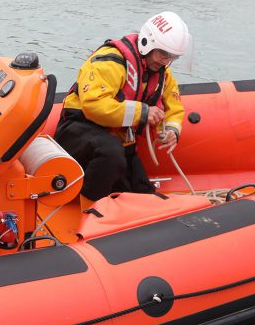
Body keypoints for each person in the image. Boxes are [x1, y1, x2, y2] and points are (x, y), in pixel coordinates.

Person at [54, 11, 191, 208]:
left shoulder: (162, 74)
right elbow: (94, 106)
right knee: (110, 153)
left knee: (142, 191)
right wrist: (142, 113)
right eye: (163, 54)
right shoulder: (111, 61)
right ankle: (90, 212)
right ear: (148, 43)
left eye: (171, 57)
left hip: (116, 137)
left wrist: (172, 130)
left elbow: (173, 105)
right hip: (77, 131)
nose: (165, 61)